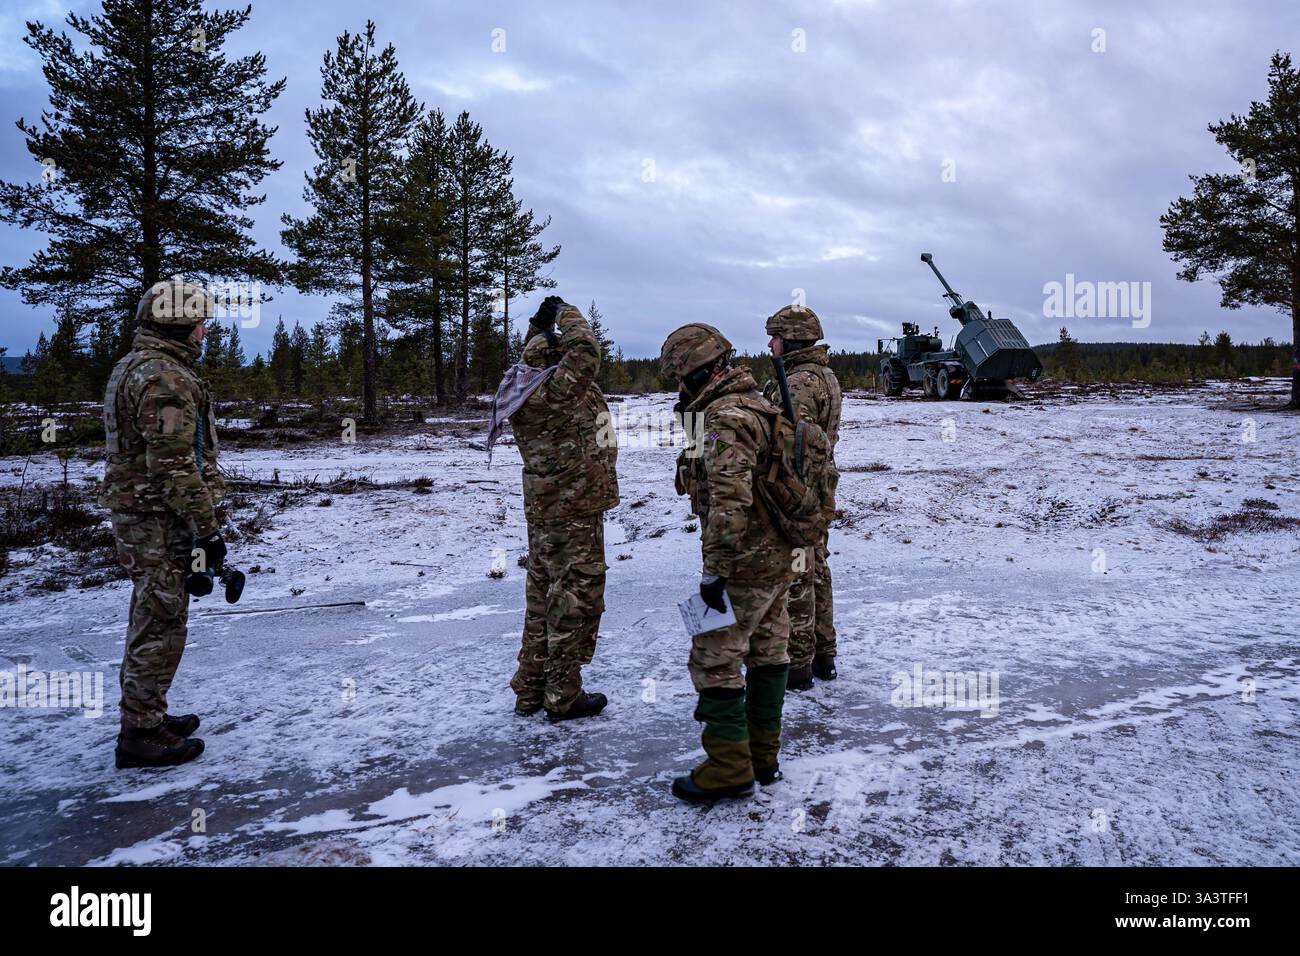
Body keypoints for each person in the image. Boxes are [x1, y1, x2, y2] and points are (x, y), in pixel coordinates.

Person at [660, 323, 795, 802]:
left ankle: (729, 767)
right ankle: (763, 757)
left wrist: (714, 571)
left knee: (713, 655)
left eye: (680, 377)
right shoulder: (756, 404)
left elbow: (728, 500)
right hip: (778, 556)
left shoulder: (726, 417)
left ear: (695, 372)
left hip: (742, 561)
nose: (678, 387)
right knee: (767, 651)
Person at [101, 279, 225, 768]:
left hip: (147, 515)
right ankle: (141, 733)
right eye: (199, 322)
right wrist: (207, 527)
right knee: (160, 619)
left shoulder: (138, 367)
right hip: (158, 520)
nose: (204, 331)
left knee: (155, 615)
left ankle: (148, 713)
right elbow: (174, 465)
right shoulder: (164, 379)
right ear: (179, 324)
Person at [505, 296, 619, 721]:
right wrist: (568, 313)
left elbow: (537, 352)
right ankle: (563, 694)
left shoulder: (524, 388)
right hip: (574, 508)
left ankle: (531, 688)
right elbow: (586, 351)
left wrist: (539, 325)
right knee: (575, 597)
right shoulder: (555, 392)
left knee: (542, 596)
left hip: (547, 510)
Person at [762, 305, 842, 689]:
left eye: (775, 337)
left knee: (797, 572)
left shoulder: (798, 382)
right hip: (819, 487)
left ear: (790, 339)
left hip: (798, 492)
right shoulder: (823, 374)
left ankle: (798, 662)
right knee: (816, 566)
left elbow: (790, 442)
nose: (770, 344)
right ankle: (824, 653)